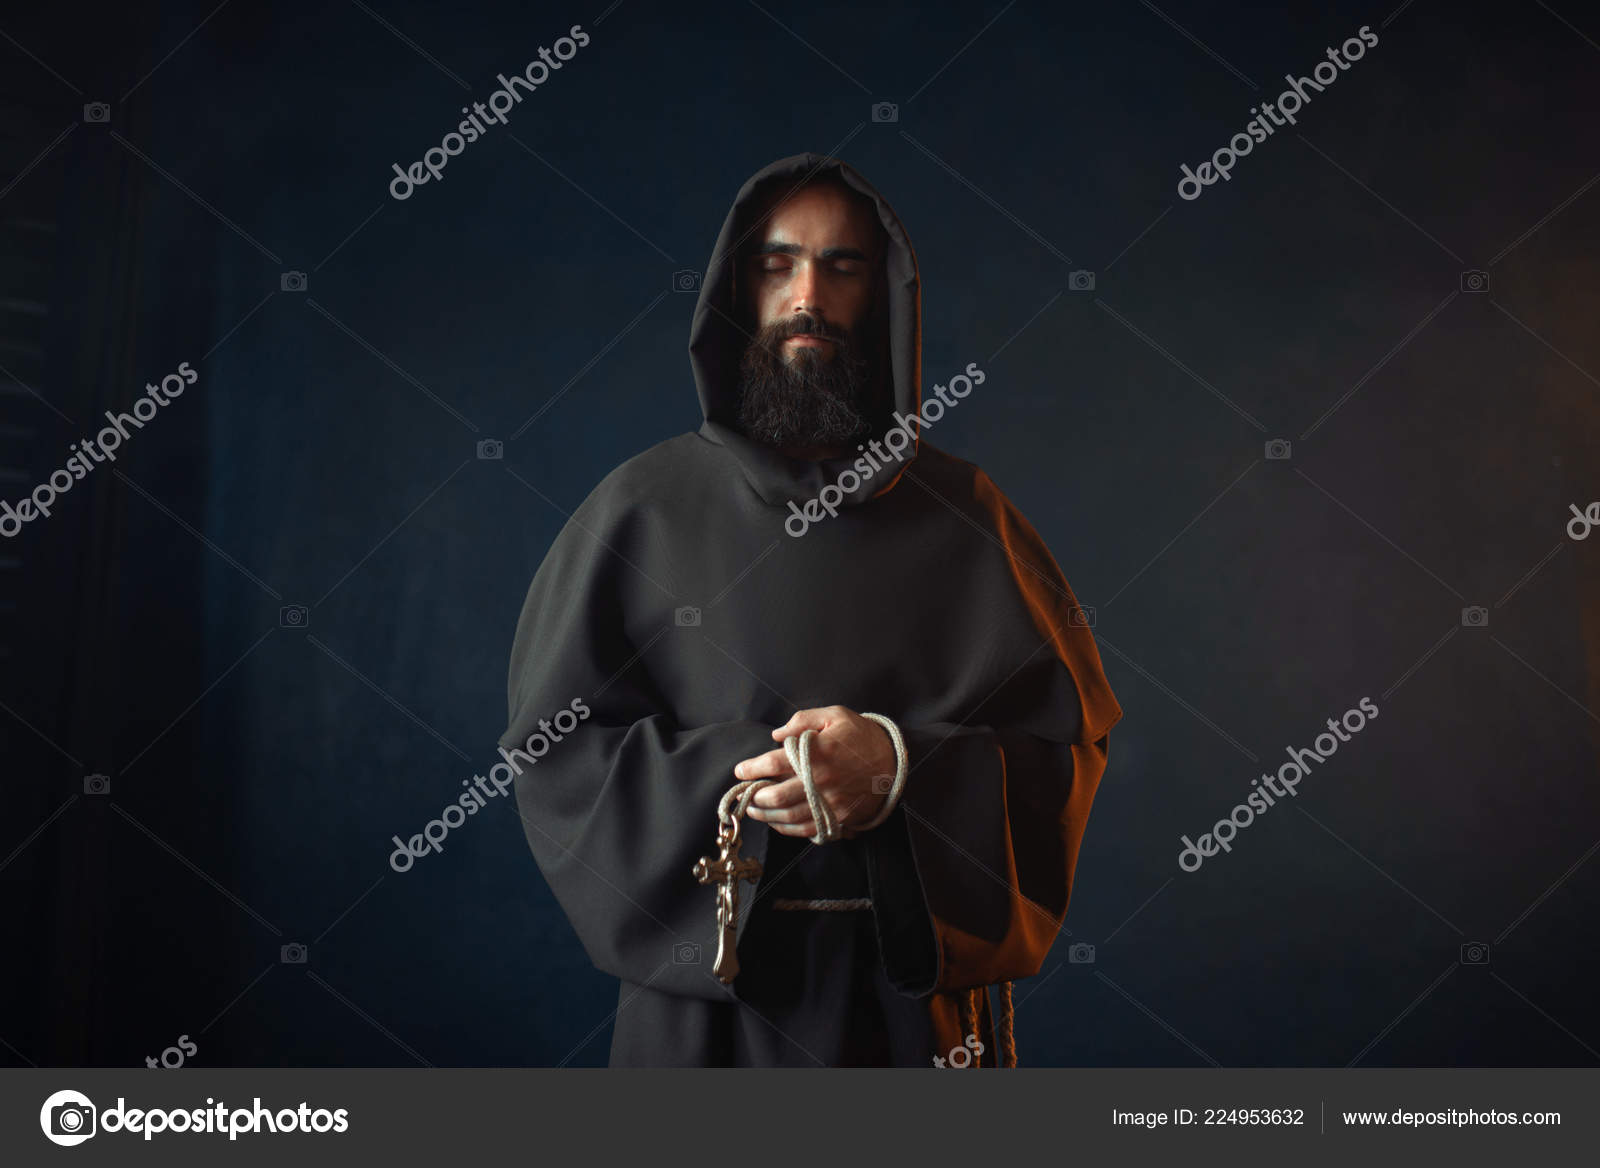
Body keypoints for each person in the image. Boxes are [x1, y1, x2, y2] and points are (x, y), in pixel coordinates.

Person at [499, 152, 1123, 1066]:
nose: (807, 297)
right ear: (736, 289)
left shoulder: (968, 516)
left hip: (915, 1024)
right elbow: (558, 756)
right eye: (777, 263)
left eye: (843, 266)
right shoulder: (641, 509)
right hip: (707, 1024)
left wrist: (900, 766)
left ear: (885, 295)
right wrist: (763, 776)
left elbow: (1065, 751)